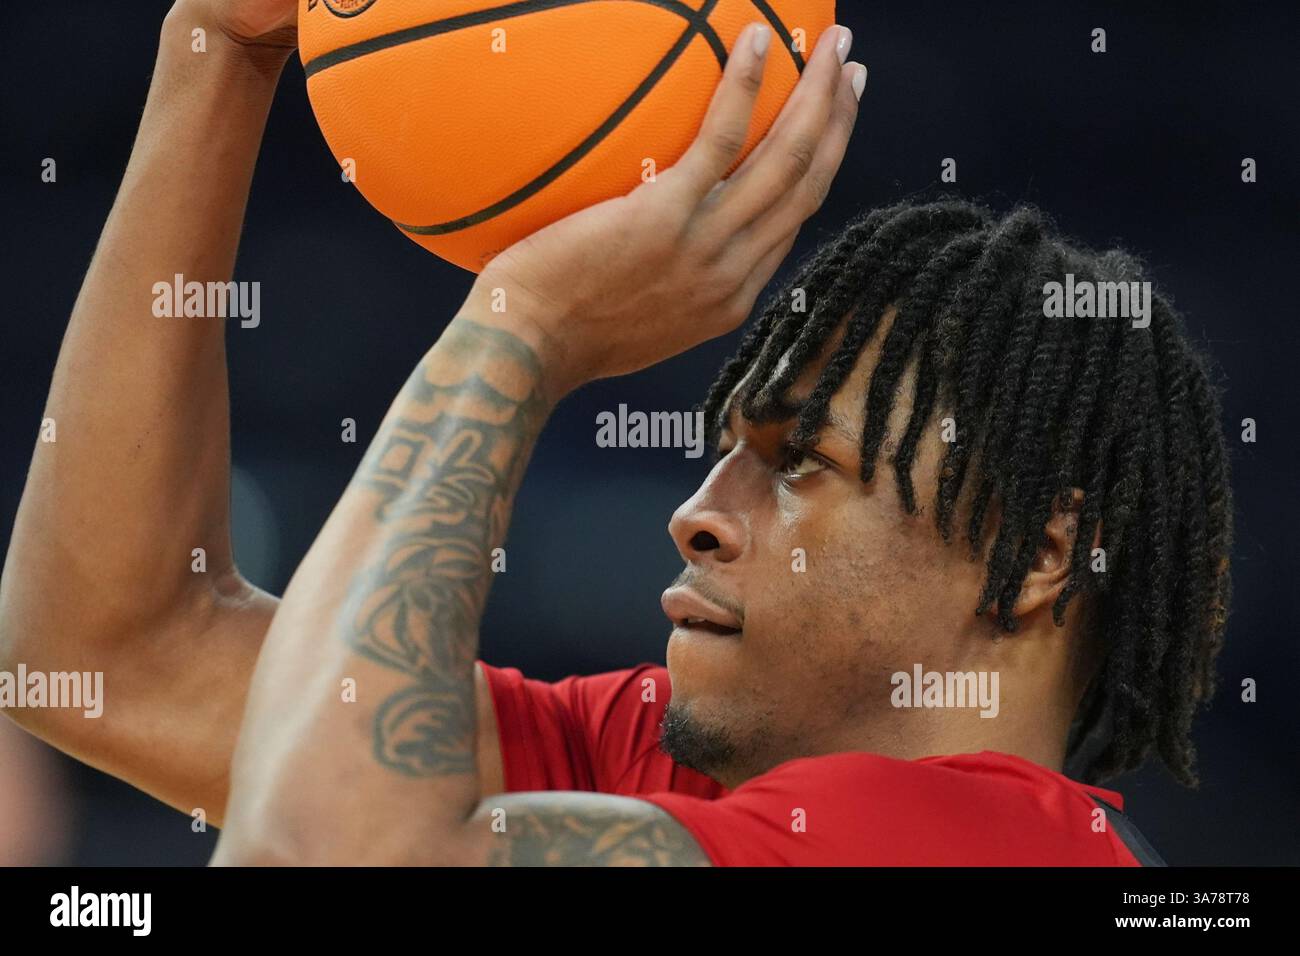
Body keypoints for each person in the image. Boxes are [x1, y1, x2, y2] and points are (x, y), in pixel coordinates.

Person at [0, 0, 1229, 866]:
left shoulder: (981, 847)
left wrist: (519, 325)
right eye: (729, 449)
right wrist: (214, 57)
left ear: (1041, 548)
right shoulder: (668, 760)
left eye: (802, 463)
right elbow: (109, 654)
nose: (696, 509)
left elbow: (316, 848)